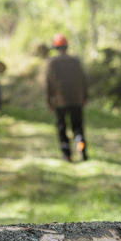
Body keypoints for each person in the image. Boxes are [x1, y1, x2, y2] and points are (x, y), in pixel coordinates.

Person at [45, 33, 88, 161]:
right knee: (77, 127)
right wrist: (84, 97)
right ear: (66, 47)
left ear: (55, 48)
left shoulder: (52, 63)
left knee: (62, 128)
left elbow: (48, 84)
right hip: (76, 100)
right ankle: (81, 148)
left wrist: (49, 101)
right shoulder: (75, 61)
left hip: (60, 102)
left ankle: (67, 154)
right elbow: (83, 81)